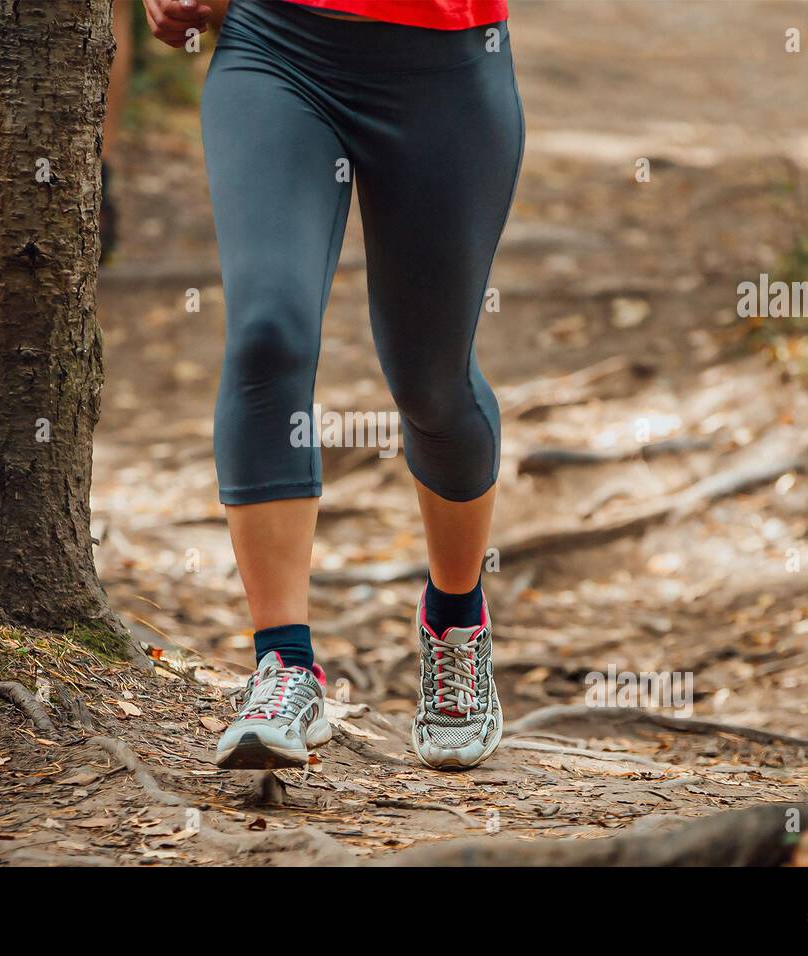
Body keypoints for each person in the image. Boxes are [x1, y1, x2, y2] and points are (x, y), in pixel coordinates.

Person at [141, 0, 523, 770]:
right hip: (276, 46)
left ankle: (456, 624)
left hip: (446, 62)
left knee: (431, 383)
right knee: (267, 332)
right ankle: (284, 666)